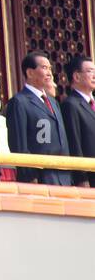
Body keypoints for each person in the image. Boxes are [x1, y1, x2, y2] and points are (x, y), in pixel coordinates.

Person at [6, 53, 72, 186]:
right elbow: (19, 144)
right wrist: (29, 176)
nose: (49, 73)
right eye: (44, 68)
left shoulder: (53, 102)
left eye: (50, 68)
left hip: (62, 175)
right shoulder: (19, 102)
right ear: (30, 73)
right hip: (39, 176)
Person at [61, 56, 95, 187]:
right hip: (90, 177)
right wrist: (81, 178)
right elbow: (74, 144)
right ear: (76, 76)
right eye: (90, 71)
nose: (94, 75)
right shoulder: (71, 105)